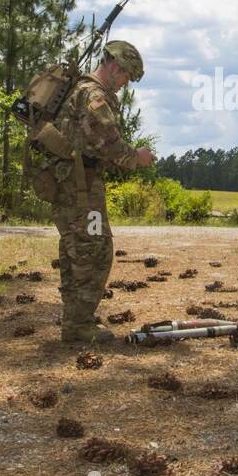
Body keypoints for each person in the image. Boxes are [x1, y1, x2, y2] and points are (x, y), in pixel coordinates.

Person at [50, 40, 154, 342]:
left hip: (69, 182)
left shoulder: (78, 89)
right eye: (126, 77)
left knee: (76, 249)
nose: (125, 85)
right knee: (95, 250)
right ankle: (78, 326)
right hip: (80, 187)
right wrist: (138, 156)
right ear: (114, 67)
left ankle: (75, 321)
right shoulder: (94, 96)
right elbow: (109, 144)